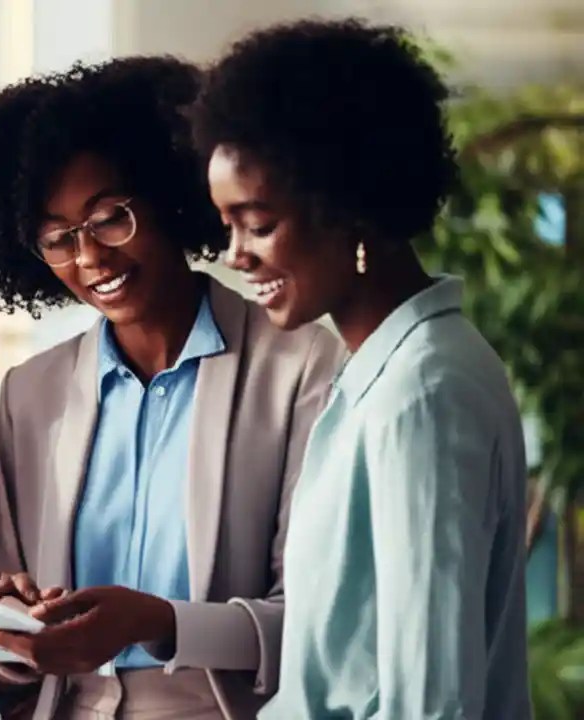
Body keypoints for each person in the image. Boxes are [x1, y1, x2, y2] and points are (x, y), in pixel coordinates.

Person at [0, 57, 343, 719]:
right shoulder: (30, 396)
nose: (91, 257)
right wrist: (5, 632)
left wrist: (158, 622)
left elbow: (322, 617)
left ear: (172, 195)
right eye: (59, 239)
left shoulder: (300, 369)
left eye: (110, 217)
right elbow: (13, 667)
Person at [193, 18, 530, 719]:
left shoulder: (422, 392)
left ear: (348, 205)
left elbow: (431, 701)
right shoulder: (386, 372)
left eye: (256, 223)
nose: (234, 255)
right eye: (226, 226)